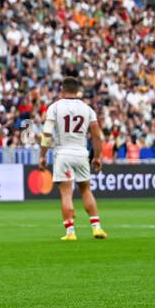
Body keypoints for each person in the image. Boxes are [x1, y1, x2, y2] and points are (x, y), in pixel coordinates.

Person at [38, 75, 107, 242]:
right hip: (81, 152)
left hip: (63, 153)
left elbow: (47, 133)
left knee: (66, 193)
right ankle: (96, 227)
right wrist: (97, 157)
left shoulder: (54, 107)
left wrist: (42, 155)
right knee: (85, 189)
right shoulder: (87, 109)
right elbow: (97, 136)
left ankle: (70, 231)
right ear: (78, 91)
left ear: (62, 90)